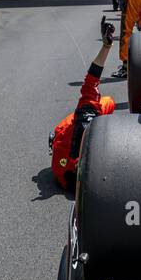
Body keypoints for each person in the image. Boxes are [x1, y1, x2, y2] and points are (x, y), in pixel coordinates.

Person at [49, 18, 117, 189]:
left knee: (108, 102)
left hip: (70, 130)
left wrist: (106, 47)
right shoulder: (62, 167)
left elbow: (91, 80)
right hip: (69, 143)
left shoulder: (86, 112)